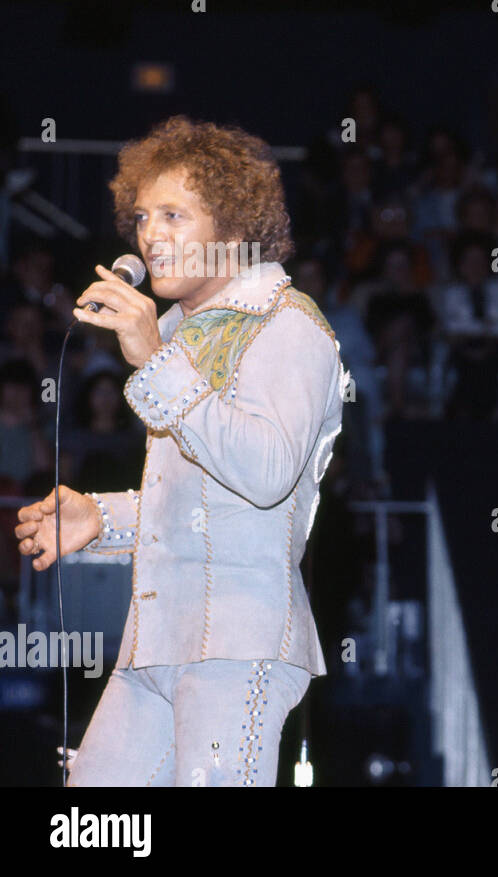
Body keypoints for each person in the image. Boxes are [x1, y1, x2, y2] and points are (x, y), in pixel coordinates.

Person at [13, 116, 347, 787]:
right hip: (156, 642)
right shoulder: (178, 336)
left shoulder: (288, 326)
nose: (149, 235)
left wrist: (156, 361)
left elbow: (266, 474)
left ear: (231, 226)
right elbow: (200, 504)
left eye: (174, 214)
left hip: (237, 646)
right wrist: (102, 520)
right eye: (142, 216)